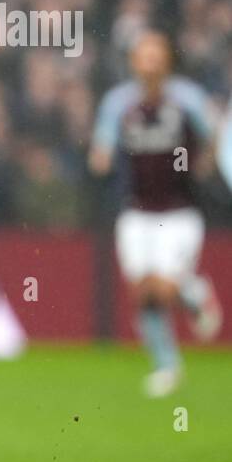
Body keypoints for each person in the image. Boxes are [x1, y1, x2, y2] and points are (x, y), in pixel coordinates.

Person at [89, 31, 221, 397]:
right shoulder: (119, 103)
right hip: (136, 211)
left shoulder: (187, 99)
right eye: (142, 55)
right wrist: (100, 155)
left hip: (179, 211)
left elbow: (214, 133)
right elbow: (102, 143)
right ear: (134, 62)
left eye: (155, 54)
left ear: (166, 60)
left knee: (163, 288)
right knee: (143, 293)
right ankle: (167, 365)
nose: (149, 61)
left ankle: (193, 292)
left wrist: (209, 159)